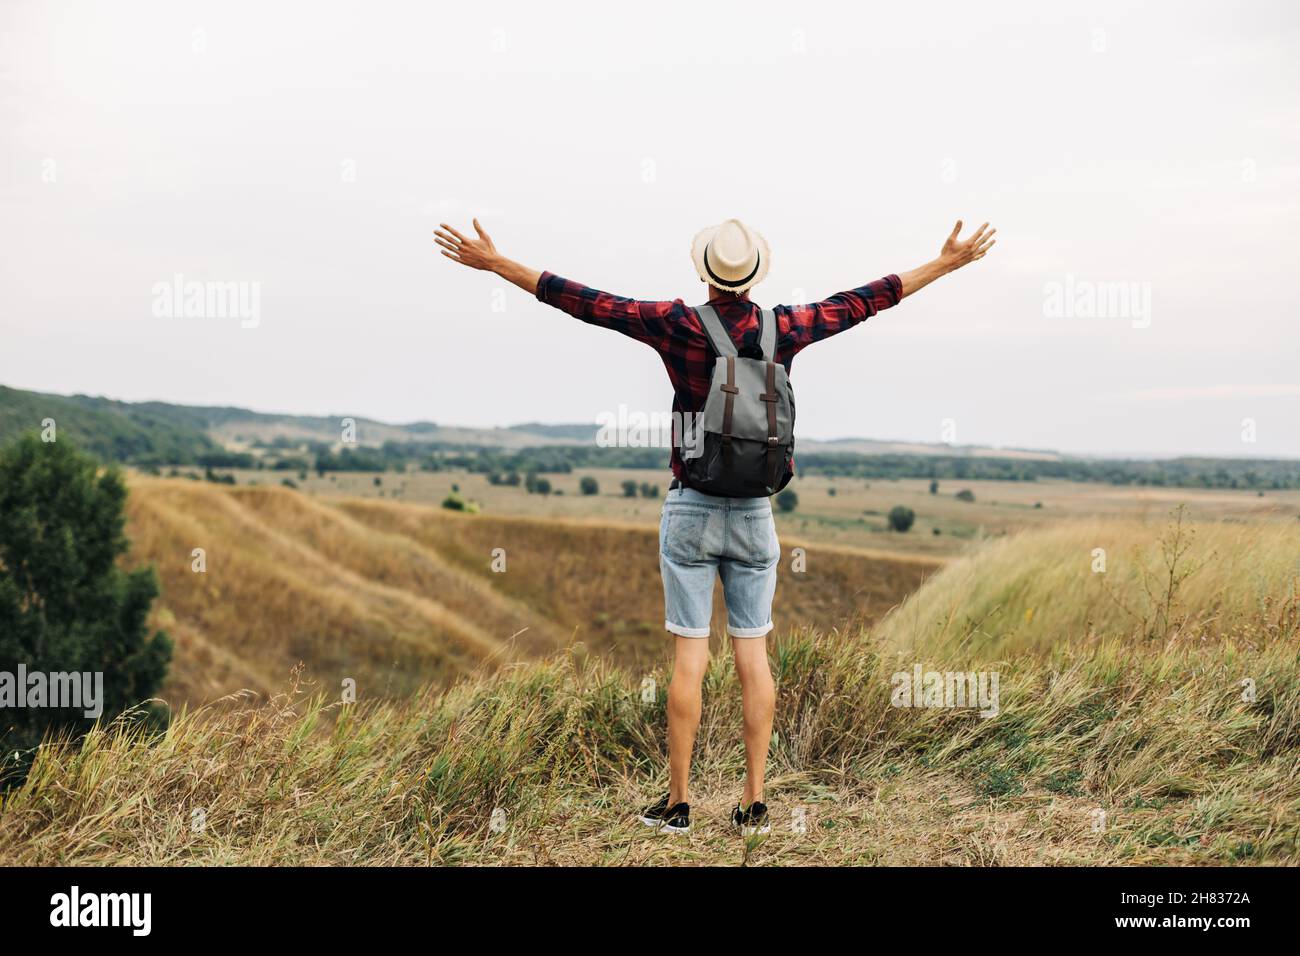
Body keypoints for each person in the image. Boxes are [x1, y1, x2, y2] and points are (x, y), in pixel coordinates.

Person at [435, 216, 996, 835]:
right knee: (753, 658)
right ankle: (754, 803)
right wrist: (945, 263)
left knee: (689, 659)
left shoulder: (677, 324)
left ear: (703, 271)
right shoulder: (786, 329)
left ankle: (677, 804)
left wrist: (498, 263)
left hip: (691, 508)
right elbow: (864, 301)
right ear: (757, 273)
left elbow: (586, 302)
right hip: (756, 513)